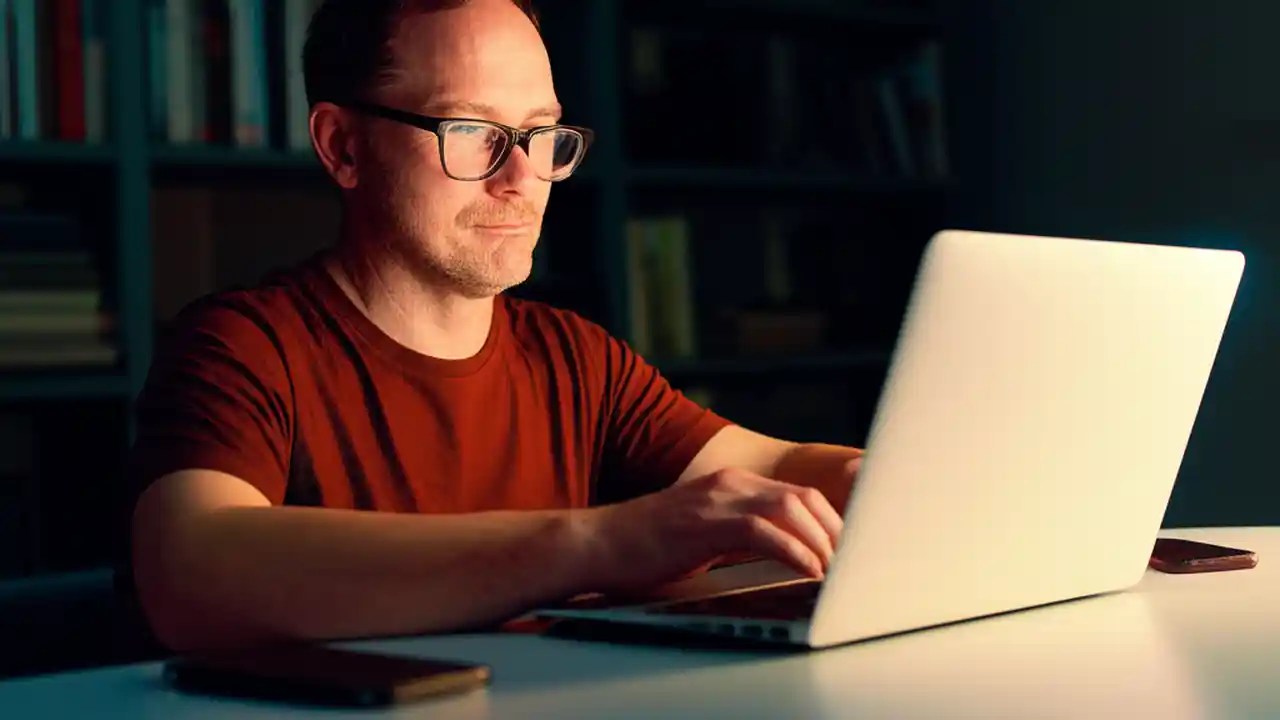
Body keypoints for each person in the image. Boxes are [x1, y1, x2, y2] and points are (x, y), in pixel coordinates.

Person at [129, 0, 866, 653]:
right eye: (473, 131)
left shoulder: (573, 357)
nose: (520, 178)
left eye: (540, 135)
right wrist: (600, 543)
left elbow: (771, 472)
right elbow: (192, 569)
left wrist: (880, 481)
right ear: (342, 147)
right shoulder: (245, 347)